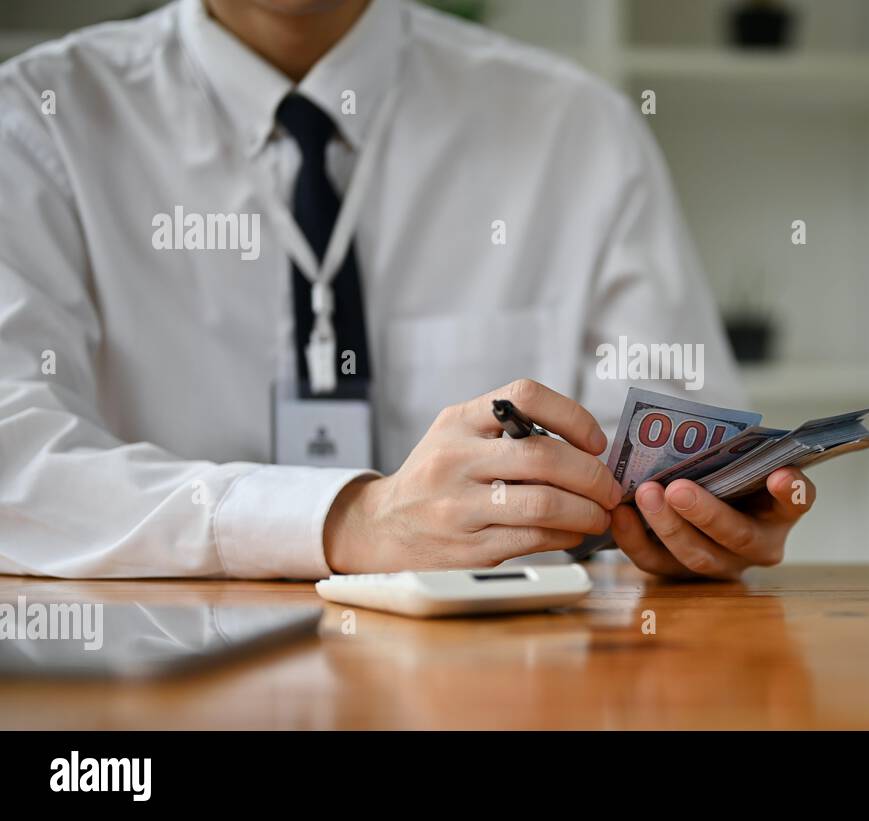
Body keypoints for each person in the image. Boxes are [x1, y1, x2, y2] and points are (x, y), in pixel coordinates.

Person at [0, 0, 816, 581]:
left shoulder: (575, 129)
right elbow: (17, 465)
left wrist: (699, 520)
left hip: (497, 688)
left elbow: (683, 434)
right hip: (156, 693)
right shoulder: (39, 127)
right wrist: (351, 519)